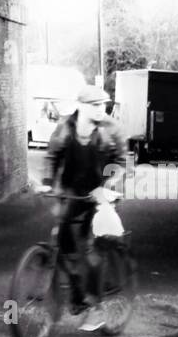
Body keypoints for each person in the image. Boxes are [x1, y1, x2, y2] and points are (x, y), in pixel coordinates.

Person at [43, 83, 127, 322]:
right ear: (81, 106)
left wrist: (107, 186)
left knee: (93, 248)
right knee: (62, 237)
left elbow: (121, 164)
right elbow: (53, 156)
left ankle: (95, 305)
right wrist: (49, 183)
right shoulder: (65, 126)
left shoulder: (112, 128)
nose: (101, 109)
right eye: (95, 105)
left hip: (101, 192)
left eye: (103, 104)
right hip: (73, 190)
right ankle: (77, 290)